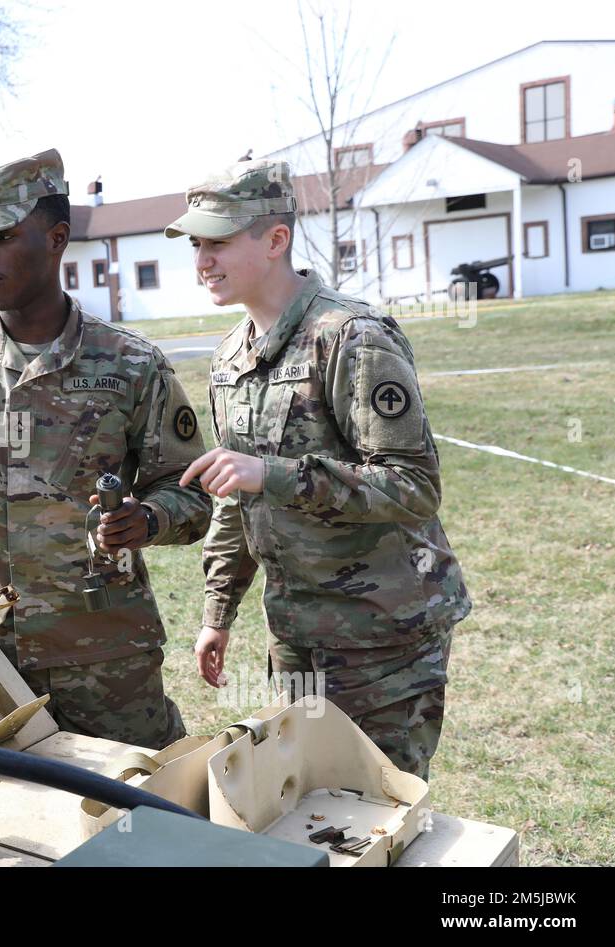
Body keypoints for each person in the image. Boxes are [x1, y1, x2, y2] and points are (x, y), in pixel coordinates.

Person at [0, 149, 213, 748]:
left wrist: (145, 519)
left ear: (55, 239)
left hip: (106, 659)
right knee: (5, 819)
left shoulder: (130, 365)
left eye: (1, 236)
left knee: (144, 814)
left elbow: (191, 495)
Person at [166, 159, 471, 780]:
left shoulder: (352, 337)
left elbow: (414, 487)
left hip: (385, 638)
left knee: (378, 809)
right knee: (311, 804)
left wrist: (272, 474)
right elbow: (235, 496)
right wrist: (216, 614)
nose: (202, 261)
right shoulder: (230, 357)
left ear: (276, 240)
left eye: (218, 241)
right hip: (299, 635)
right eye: (197, 244)